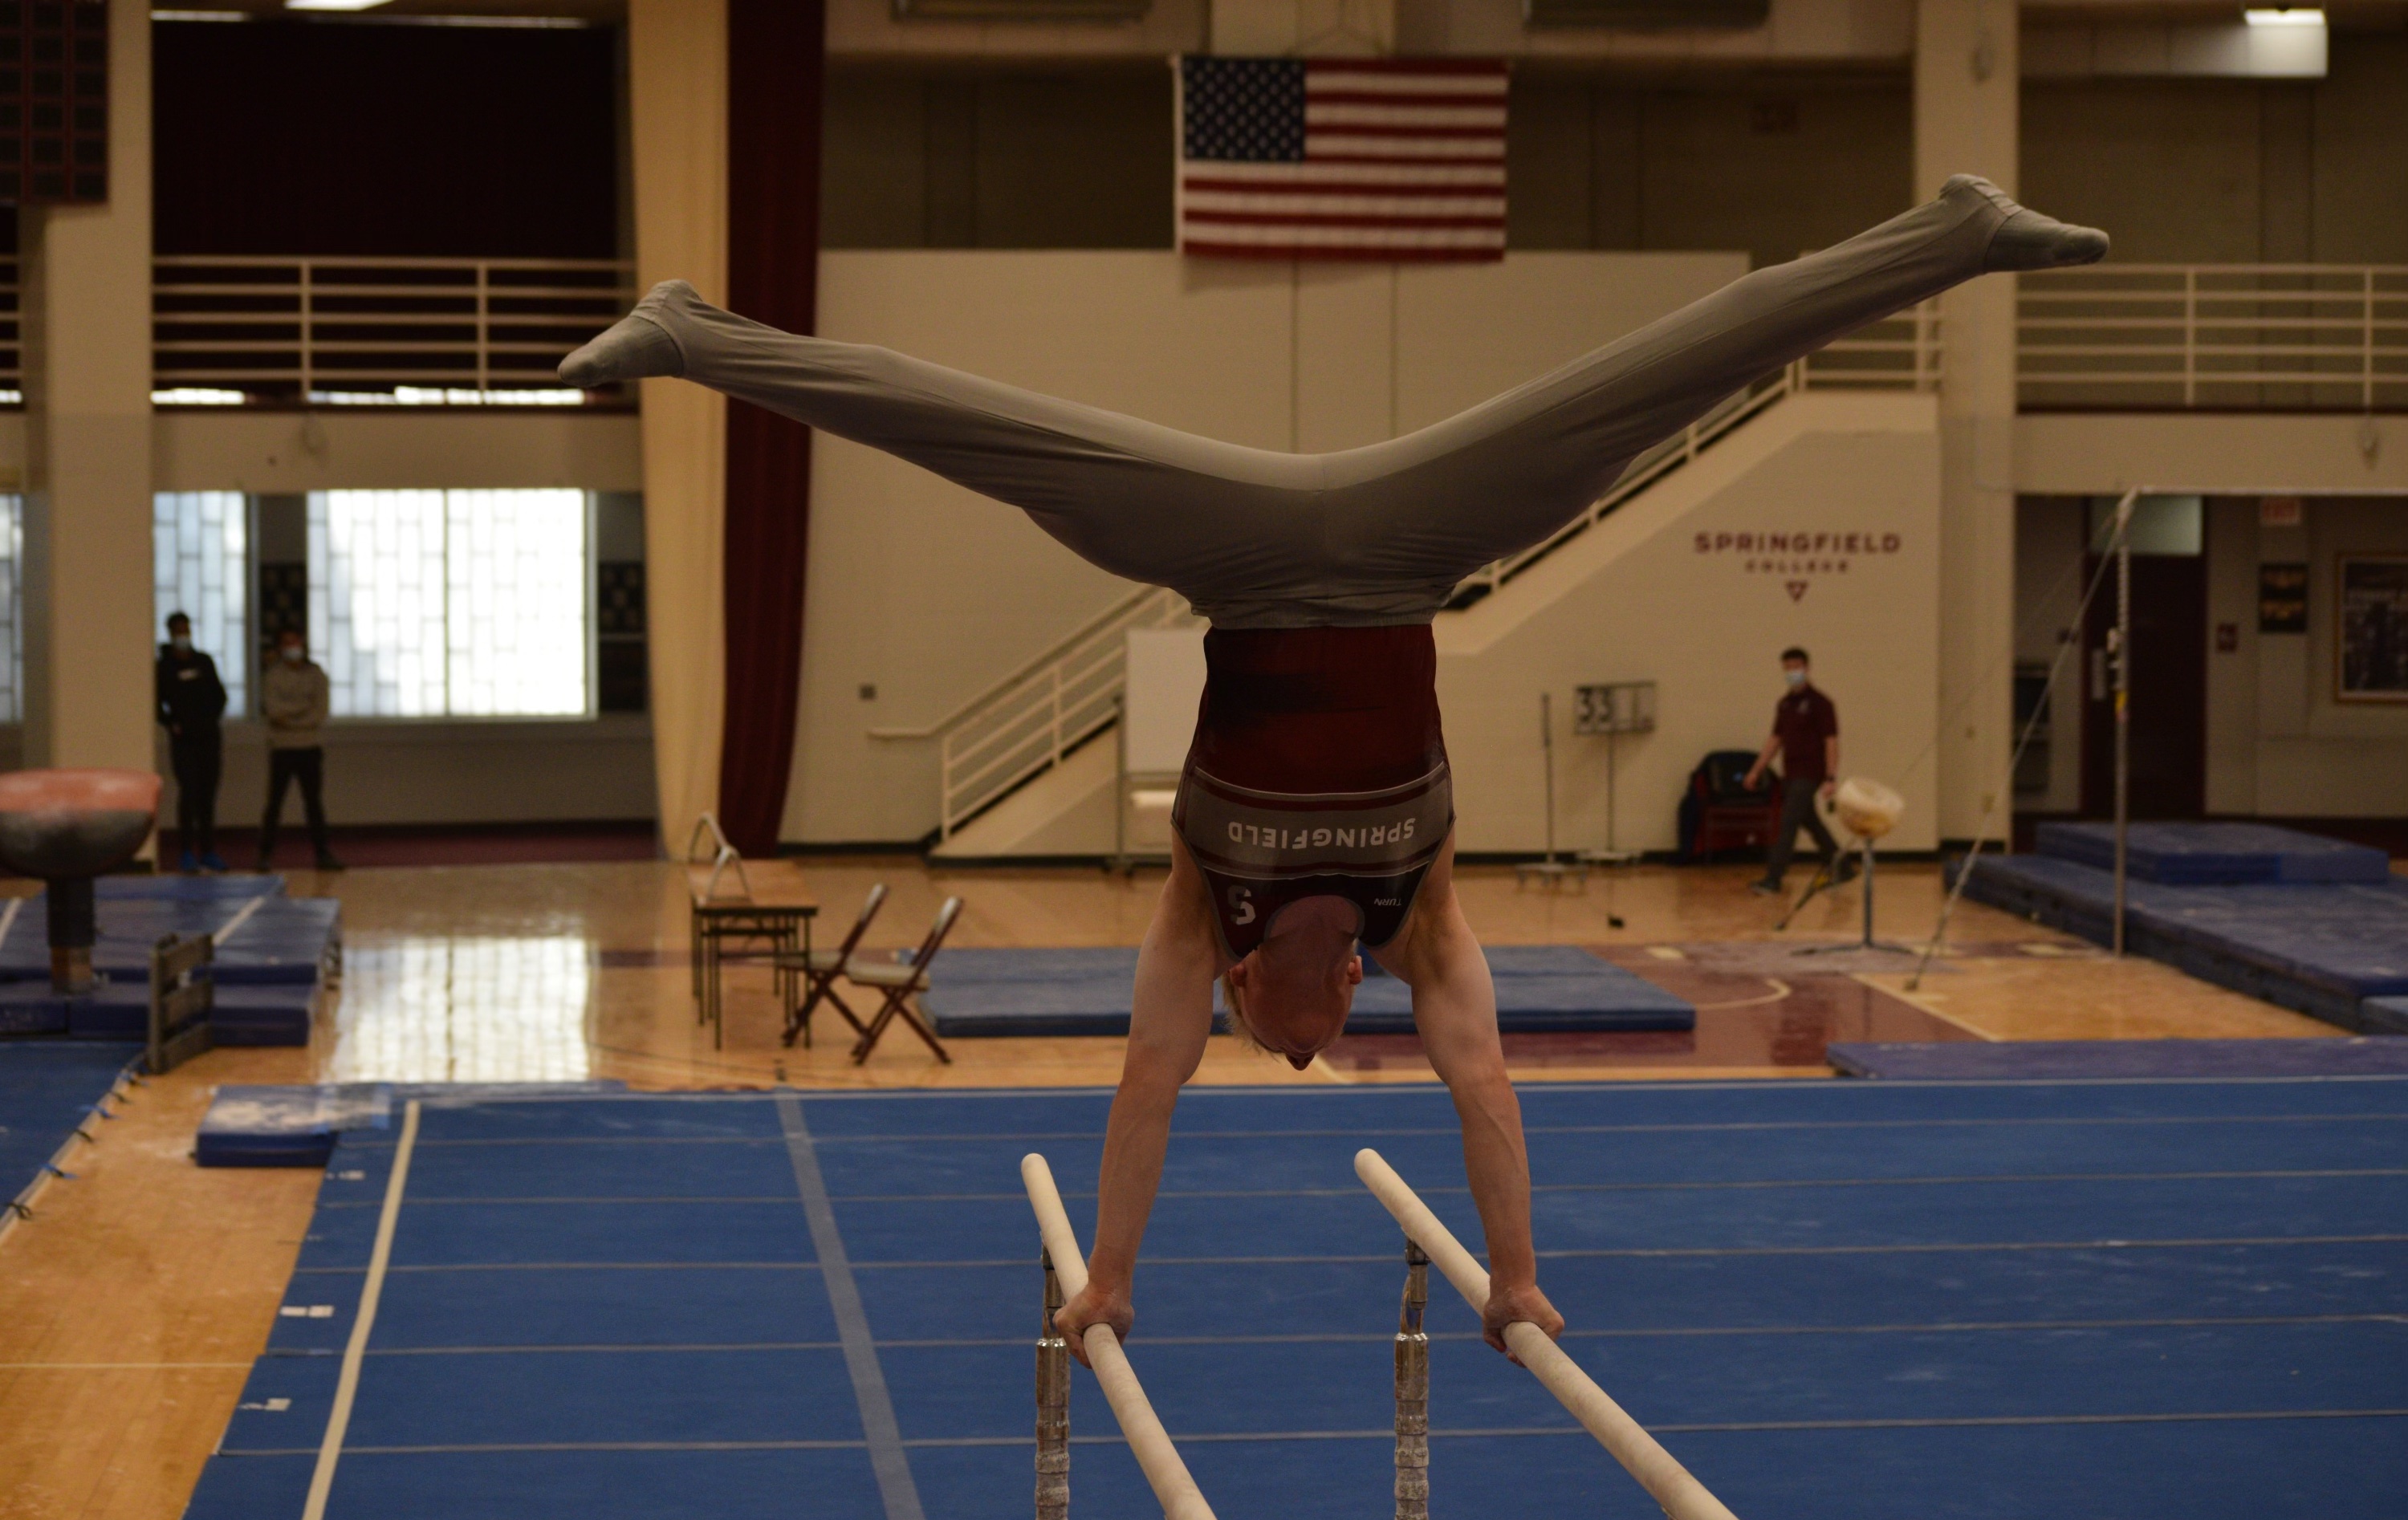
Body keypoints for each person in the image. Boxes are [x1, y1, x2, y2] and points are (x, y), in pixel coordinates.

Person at [561, 175, 2106, 1360]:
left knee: (990, 437)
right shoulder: (1422, 925)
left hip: (1232, 557)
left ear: (1238, 991)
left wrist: (1111, 1278)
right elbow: (1487, 1092)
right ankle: (700, 331)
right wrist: (1514, 1272)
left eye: (1264, 1040)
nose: (1291, 1043)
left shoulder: (1195, 913)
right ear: (1349, 996)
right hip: (1409, 553)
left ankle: (696, 336)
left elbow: (1143, 1093)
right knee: (1653, 386)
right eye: (1310, 1045)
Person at [1743, 647, 1848, 896]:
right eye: (1788, 668)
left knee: (1787, 824)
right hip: (1790, 773)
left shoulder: (1821, 703)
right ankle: (1842, 867)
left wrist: (1831, 777)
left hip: (1810, 773)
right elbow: (1775, 740)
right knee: (1811, 822)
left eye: (1797, 667)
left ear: (1807, 668)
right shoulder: (1785, 704)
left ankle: (1773, 878)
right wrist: (1755, 770)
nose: (1793, 672)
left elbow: (1831, 741)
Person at [258, 628, 342, 872]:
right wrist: (301, 711)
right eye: (286, 642)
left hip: (310, 747)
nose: (292, 646)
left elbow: (320, 712)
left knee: (314, 803)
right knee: (274, 803)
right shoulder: (273, 676)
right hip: (282, 748)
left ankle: (323, 854)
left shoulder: (316, 674)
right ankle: (264, 855)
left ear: (302, 644)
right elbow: (273, 712)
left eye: (295, 641)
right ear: (281, 646)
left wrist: (291, 715)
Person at [155, 612, 229, 872]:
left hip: (208, 737)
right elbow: (156, 705)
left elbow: (220, 696)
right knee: (189, 793)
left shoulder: (204, 661)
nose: (183, 636)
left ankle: (208, 850)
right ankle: (186, 851)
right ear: (171, 634)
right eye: (178, 632)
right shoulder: (164, 667)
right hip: (184, 740)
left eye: (186, 631)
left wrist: (209, 719)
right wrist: (171, 723)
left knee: (208, 795)